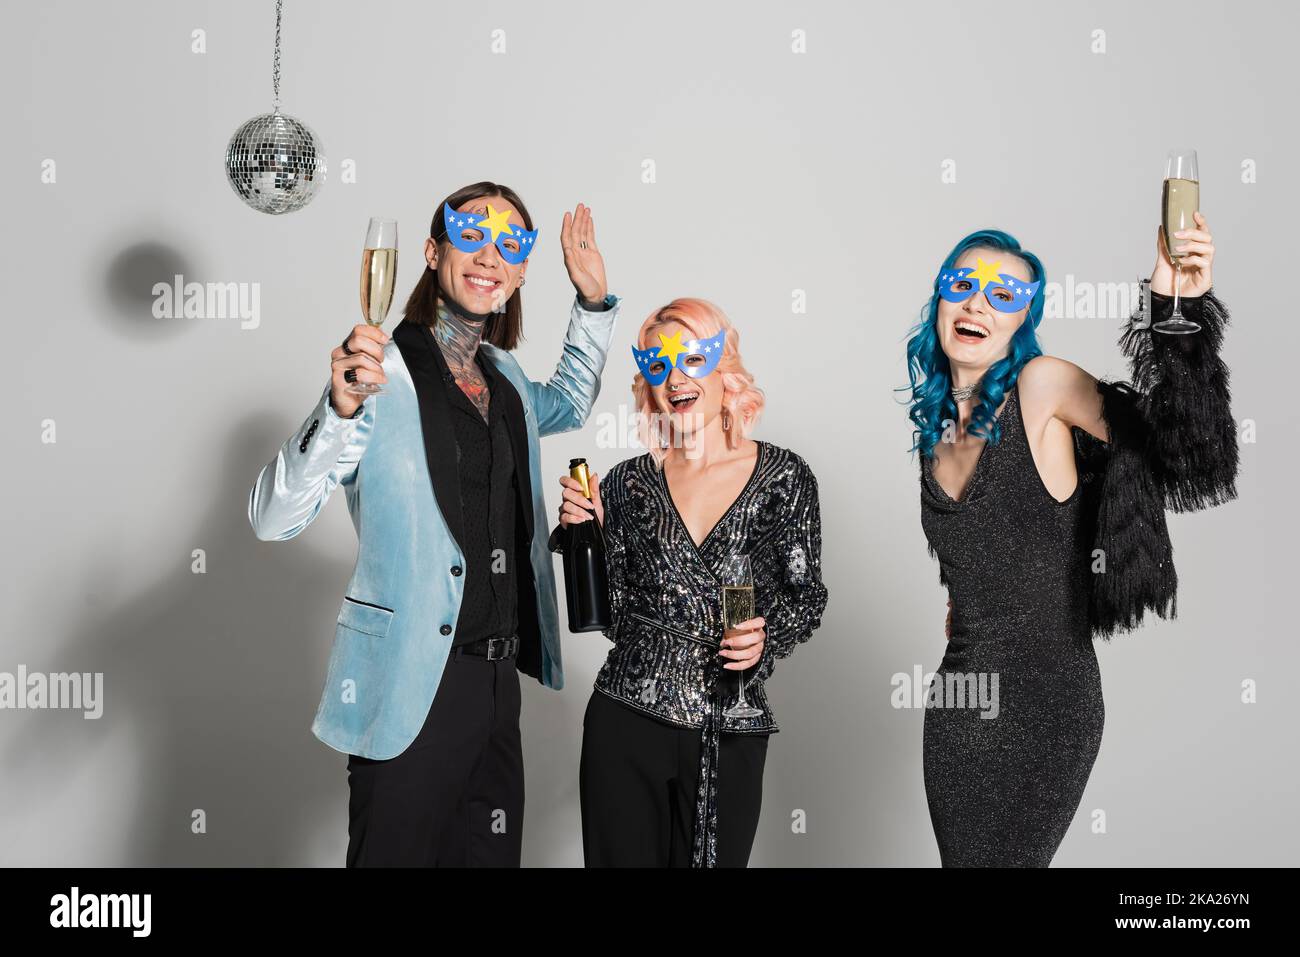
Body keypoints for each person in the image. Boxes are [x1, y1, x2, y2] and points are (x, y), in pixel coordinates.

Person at [248, 181, 621, 866]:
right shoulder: (378, 374)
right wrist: (337, 410)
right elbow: (273, 518)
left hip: (496, 688)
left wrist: (593, 303)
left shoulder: (505, 376)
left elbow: (566, 399)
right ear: (431, 250)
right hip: (408, 685)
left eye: (510, 244)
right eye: (470, 235)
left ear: (521, 271)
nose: (489, 254)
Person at [904, 214, 1236, 866]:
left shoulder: (1043, 387)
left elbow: (1186, 452)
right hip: (959, 708)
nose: (977, 302)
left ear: (1022, 320)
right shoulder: (935, 433)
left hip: (1048, 710)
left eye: (1005, 295)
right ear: (940, 298)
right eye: (962, 283)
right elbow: (983, 564)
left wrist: (1176, 305)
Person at [551, 298, 829, 867]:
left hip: (729, 724)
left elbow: (807, 597)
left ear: (722, 367)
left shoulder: (785, 476)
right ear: (647, 385)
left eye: (689, 360)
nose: (675, 378)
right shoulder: (628, 484)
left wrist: (764, 634)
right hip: (625, 721)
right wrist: (591, 540)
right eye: (657, 366)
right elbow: (618, 621)